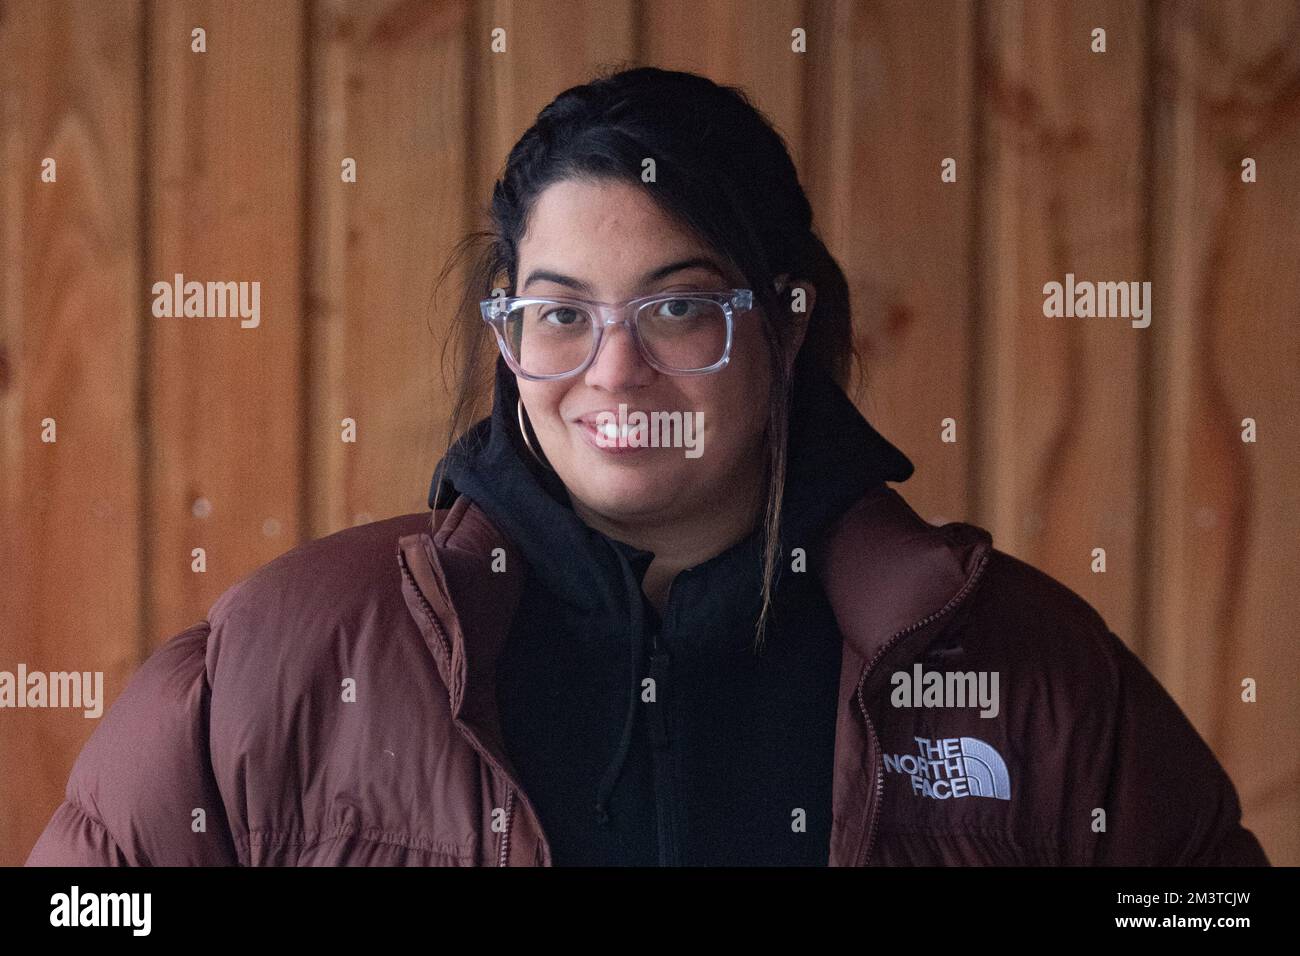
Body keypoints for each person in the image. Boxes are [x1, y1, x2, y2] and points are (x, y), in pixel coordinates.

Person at [26, 66, 1268, 867]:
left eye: (677, 311)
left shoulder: (1028, 672)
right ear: (508, 334)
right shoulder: (277, 664)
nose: (611, 375)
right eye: (560, 315)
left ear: (782, 326)